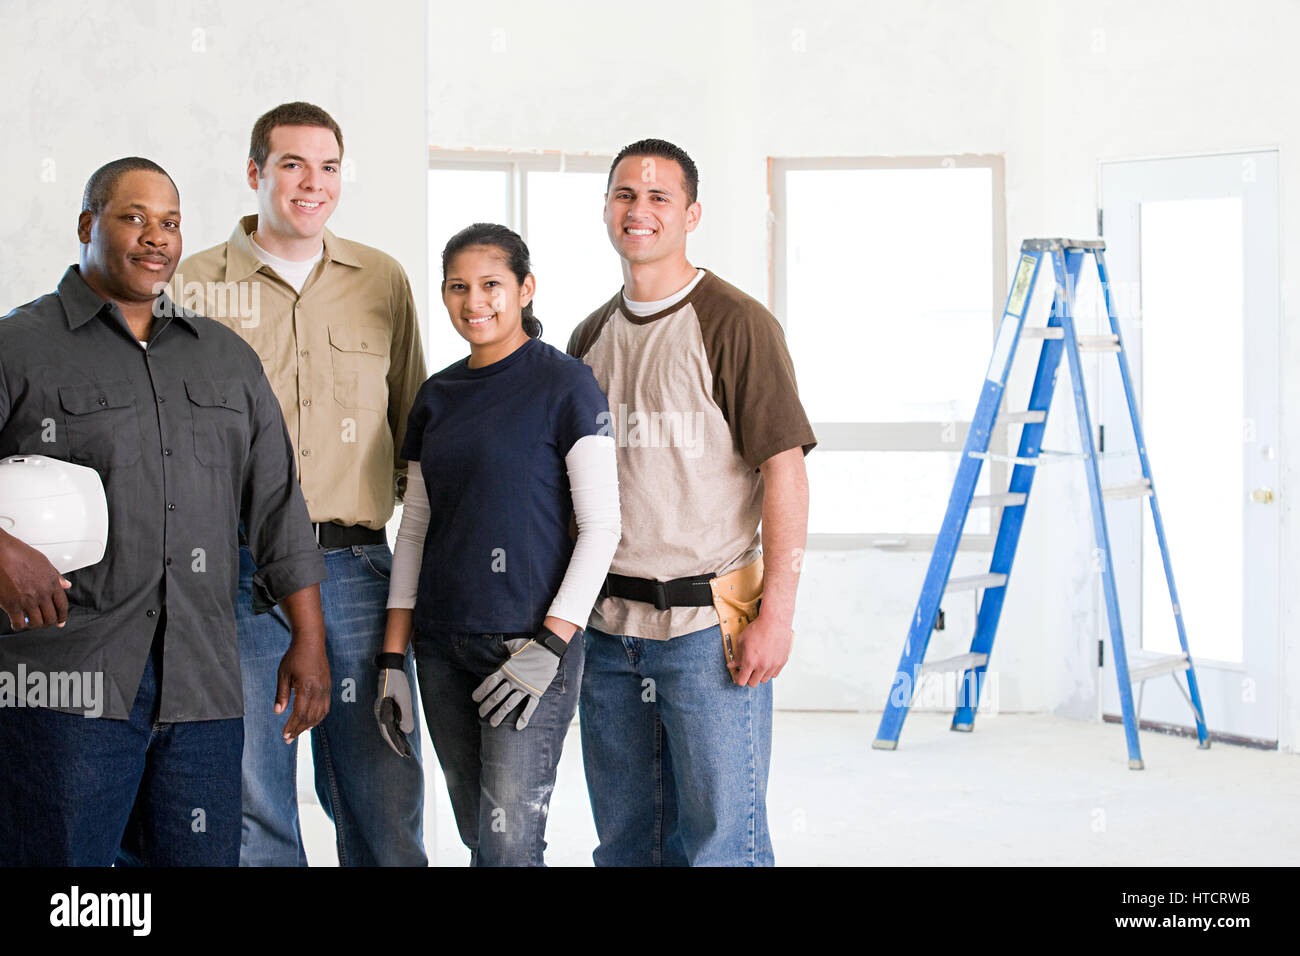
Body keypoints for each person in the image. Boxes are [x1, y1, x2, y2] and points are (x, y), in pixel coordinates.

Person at [0, 157, 329, 866]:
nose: (157, 237)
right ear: (88, 226)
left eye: (171, 222)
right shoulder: (19, 346)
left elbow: (277, 505)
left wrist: (309, 637)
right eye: (134, 218)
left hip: (202, 689)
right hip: (67, 686)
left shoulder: (226, 360)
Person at [173, 102, 428, 866]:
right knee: (255, 803)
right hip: (239, 577)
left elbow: (416, 427)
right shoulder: (191, 286)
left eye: (327, 167)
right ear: (255, 174)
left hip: (354, 570)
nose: (311, 184)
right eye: (291, 165)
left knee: (382, 800)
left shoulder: (381, 280)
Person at [567, 139, 816, 866]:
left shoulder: (736, 323)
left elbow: (785, 472)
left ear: (691, 214)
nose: (638, 210)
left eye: (658, 198)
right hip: (610, 633)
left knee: (721, 846)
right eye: (624, 195)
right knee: (625, 844)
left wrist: (778, 613)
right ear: (607, 209)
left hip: (711, 634)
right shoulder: (590, 337)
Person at [377, 223, 620, 866]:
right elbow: (415, 529)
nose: (473, 301)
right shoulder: (437, 396)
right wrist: (391, 658)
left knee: (511, 846)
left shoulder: (567, 386)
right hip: (441, 646)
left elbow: (603, 527)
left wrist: (550, 645)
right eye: (458, 287)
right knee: (478, 835)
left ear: (526, 289)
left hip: (528, 647)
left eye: (491, 284)